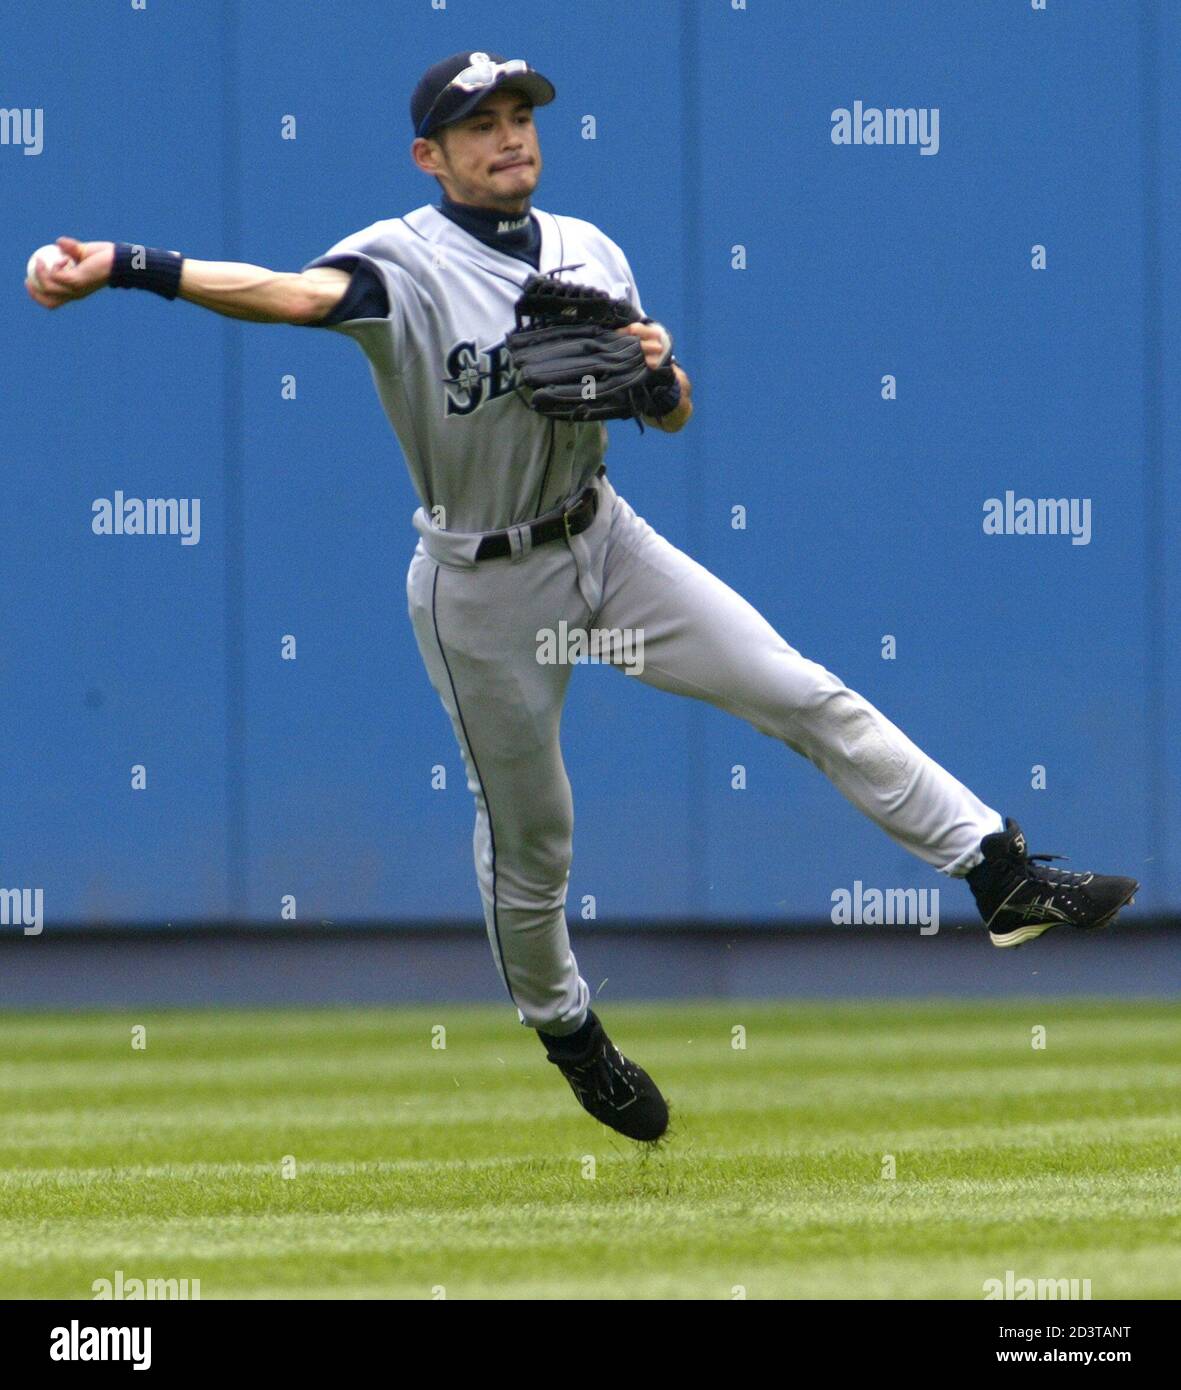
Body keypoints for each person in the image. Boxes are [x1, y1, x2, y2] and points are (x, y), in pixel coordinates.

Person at [27, 50, 1139, 1146]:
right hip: (481, 587)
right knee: (536, 839)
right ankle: (567, 1030)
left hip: (603, 539)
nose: (509, 134)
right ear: (430, 155)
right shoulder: (397, 264)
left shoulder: (589, 249)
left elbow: (671, 414)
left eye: (519, 114)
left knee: (799, 691)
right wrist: (128, 263)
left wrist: (654, 379)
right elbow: (286, 294)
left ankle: (998, 873)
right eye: (478, 123)